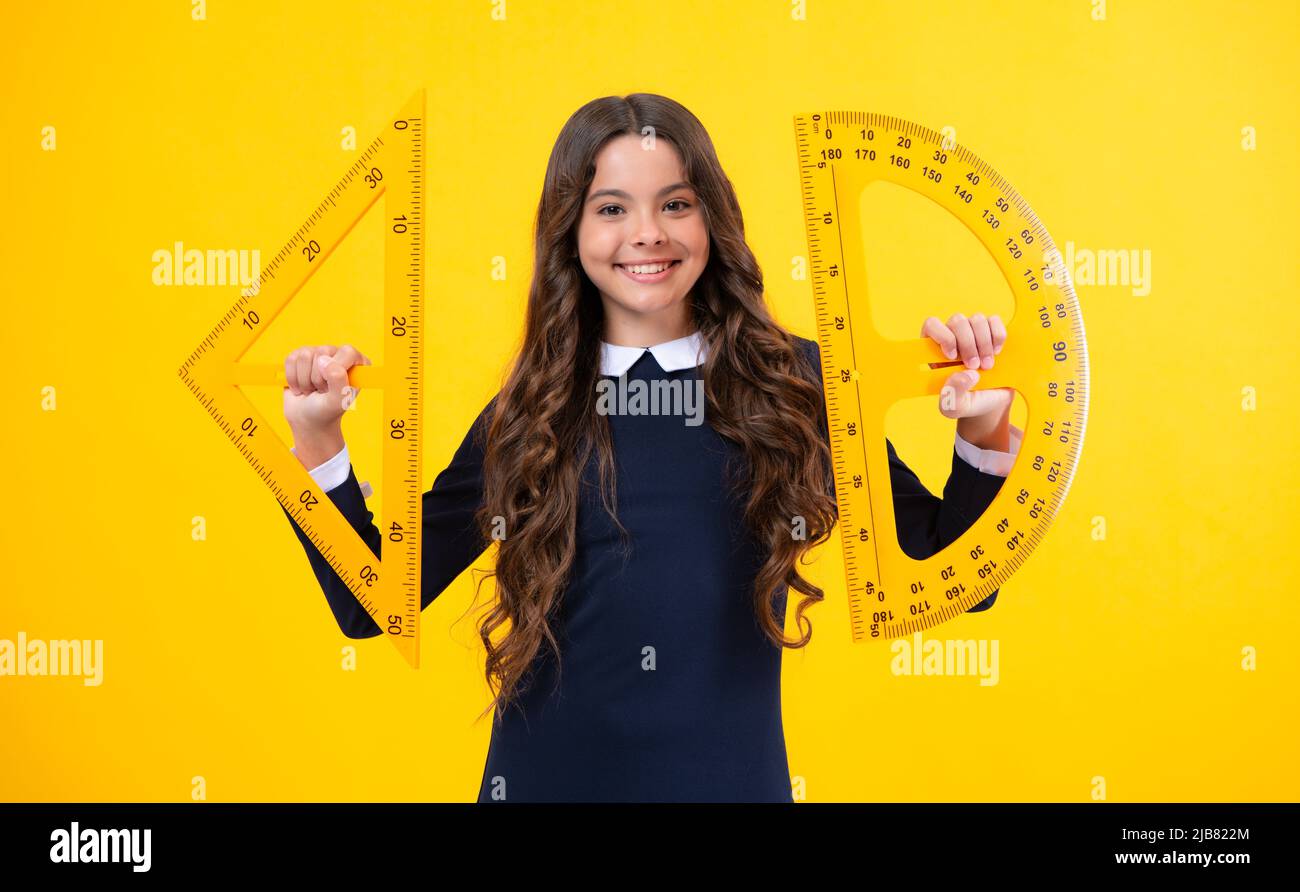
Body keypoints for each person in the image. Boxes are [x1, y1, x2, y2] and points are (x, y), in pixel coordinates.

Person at [279, 93, 1021, 803]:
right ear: (569, 230)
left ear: (713, 218)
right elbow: (371, 603)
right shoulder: (528, 410)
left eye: (676, 203)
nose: (647, 234)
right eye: (611, 209)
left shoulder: (797, 383)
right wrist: (317, 439)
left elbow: (956, 574)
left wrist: (982, 433)